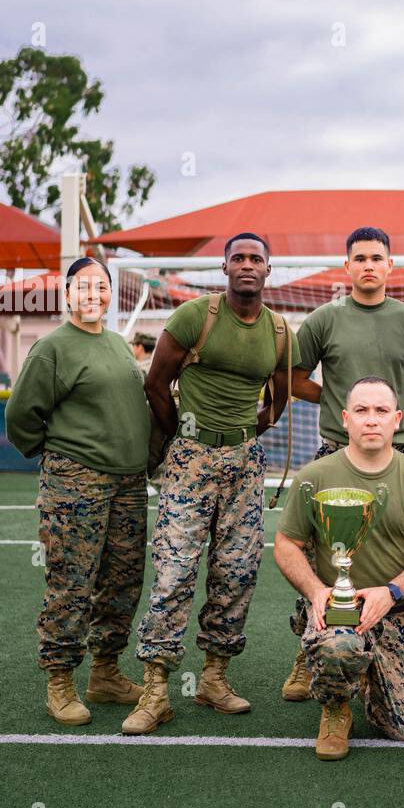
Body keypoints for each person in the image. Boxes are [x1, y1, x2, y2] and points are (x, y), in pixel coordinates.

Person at [122, 232, 296, 735]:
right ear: (224, 267)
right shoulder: (195, 316)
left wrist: (245, 432)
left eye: (256, 258)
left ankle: (215, 678)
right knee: (174, 571)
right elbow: (155, 382)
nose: (247, 265)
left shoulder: (282, 332)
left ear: (268, 270)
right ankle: (156, 689)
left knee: (237, 572)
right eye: (238, 257)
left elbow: (280, 398)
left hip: (246, 463)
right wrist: (185, 436)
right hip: (191, 460)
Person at [281, 226, 404, 701]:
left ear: (390, 266)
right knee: (327, 557)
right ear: (348, 267)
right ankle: (309, 647)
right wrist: (342, 404)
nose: (369, 265)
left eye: (378, 258)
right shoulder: (323, 319)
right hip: (336, 451)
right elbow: (294, 377)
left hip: (401, 454)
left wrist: (392, 404)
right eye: (360, 258)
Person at [5, 257, 151, 725]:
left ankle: (105, 673)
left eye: (102, 286)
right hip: (77, 482)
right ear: (67, 294)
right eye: (84, 286)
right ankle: (60, 680)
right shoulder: (52, 348)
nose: (93, 294)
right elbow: (20, 416)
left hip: (129, 483)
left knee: (122, 581)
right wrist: (57, 457)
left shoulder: (116, 344)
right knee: (72, 583)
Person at [274, 376, 404, 761]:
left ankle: (372, 678)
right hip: (338, 614)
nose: (372, 420)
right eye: (362, 411)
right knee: (339, 647)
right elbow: (286, 545)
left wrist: (392, 592)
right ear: (346, 418)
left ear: (398, 419)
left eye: (382, 411)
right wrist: (317, 591)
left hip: (395, 611)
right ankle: (336, 708)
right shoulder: (314, 476)